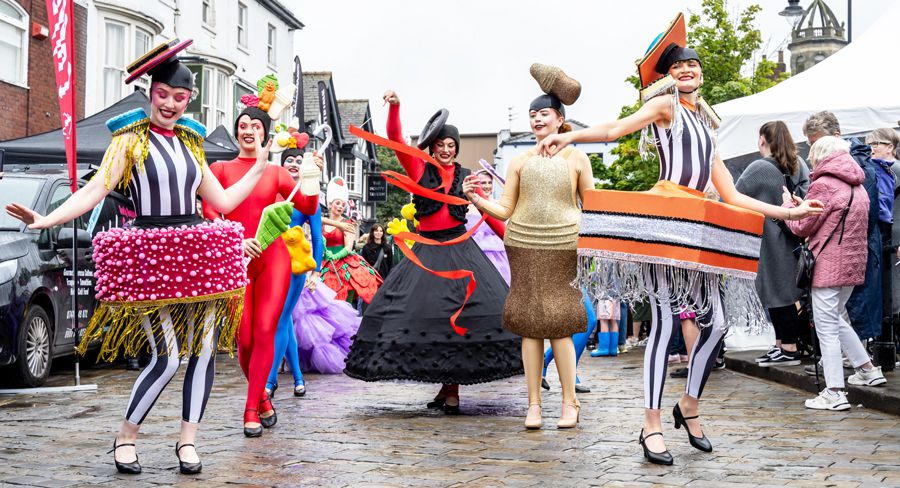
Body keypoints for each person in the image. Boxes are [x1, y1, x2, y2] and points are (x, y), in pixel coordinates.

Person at [537, 13, 822, 463]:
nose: (688, 70)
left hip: (698, 228)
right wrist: (564, 136)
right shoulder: (664, 108)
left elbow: (731, 195)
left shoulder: (707, 129)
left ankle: (688, 405)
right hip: (667, 220)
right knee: (667, 322)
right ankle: (651, 424)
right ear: (669, 76)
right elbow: (614, 130)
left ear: (700, 74)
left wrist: (790, 211)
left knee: (720, 325)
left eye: (693, 65)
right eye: (679, 66)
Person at [5, 40, 273, 474]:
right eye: (162, 94)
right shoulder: (129, 140)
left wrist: (259, 168)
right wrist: (46, 219)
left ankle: (188, 441)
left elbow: (220, 199)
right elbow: (95, 191)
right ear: (151, 93)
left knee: (203, 351)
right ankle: (126, 436)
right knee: (166, 357)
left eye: (179, 97)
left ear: (189, 100)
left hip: (196, 251)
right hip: (150, 254)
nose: (169, 104)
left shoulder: (191, 142)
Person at [344, 90, 522, 415]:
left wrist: (517, 242)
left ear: (457, 148)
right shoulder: (419, 170)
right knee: (430, 321)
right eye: (440, 145)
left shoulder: (468, 178)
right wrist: (397, 106)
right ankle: (446, 388)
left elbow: (489, 214)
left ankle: (451, 391)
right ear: (432, 147)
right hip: (425, 253)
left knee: (461, 320)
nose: (445, 150)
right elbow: (396, 137)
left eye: (451, 146)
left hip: (460, 252)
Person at [464, 63, 590, 429]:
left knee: (561, 323)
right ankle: (533, 404)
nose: (537, 120)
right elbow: (506, 208)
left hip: (564, 243)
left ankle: (570, 402)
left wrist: (595, 245)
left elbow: (592, 206)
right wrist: (477, 200)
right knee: (530, 324)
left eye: (544, 114)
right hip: (521, 242)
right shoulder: (520, 159)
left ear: (559, 120)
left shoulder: (577, 156)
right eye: (532, 115)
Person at [202, 90, 322, 437]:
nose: (249, 129)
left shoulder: (276, 173)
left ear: (265, 134)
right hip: (236, 260)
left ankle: (251, 408)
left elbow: (308, 208)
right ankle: (264, 399)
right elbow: (211, 211)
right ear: (237, 132)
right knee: (245, 339)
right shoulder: (220, 169)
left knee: (267, 330)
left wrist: (311, 177)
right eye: (243, 125)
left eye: (256, 125)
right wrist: (236, 241)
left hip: (273, 259)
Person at [785, 136, 886, 410]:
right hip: (852, 265)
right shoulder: (859, 184)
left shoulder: (824, 184)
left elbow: (801, 227)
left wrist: (788, 208)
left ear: (820, 156)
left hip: (828, 265)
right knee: (837, 321)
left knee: (827, 329)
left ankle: (834, 392)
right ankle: (867, 369)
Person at [802, 112, 882, 344]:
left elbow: (866, 216)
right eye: (811, 144)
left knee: (837, 319)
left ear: (836, 136)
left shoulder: (855, 167)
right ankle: (861, 365)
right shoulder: (855, 165)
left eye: (817, 142)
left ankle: (846, 368)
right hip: (850, 251)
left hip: (845, 252)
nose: (813, 150)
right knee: (836, 317)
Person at [736, 121, 811, 367]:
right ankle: (782, 345)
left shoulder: (758, 167)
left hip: (769, 240)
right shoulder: (799, 165)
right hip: (792, 238)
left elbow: (734, 196)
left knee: (776, 293)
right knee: (787, 292)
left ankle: (788, 348)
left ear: (762, 140)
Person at [265, 147, 325, 398]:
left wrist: (316, 271)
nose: (294, 164)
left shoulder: (309, 198)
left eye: (299, 161)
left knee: (280, 320)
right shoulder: (273, 192)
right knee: (284, 321)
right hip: (268, 264)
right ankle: (298, 378)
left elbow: (319, 239)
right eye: (288, 160)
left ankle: (269, 381)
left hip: (293, 266)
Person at [319, 177, 383, 304]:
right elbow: (309, 219)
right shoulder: (321, 224)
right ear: (330, 204)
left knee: (343, 303)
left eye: (343, 205)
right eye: (337, 203)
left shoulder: (348, 223)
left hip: (343, 265)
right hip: (324, 264)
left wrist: (336, 255)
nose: (340, 207)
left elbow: (348, 247)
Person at [466, 170, 511, 284]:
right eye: (483, 183)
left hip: (499, 256)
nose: (487, 186)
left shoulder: (499, 205)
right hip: (473, 255)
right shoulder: (466, 207)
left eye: (489, 183)